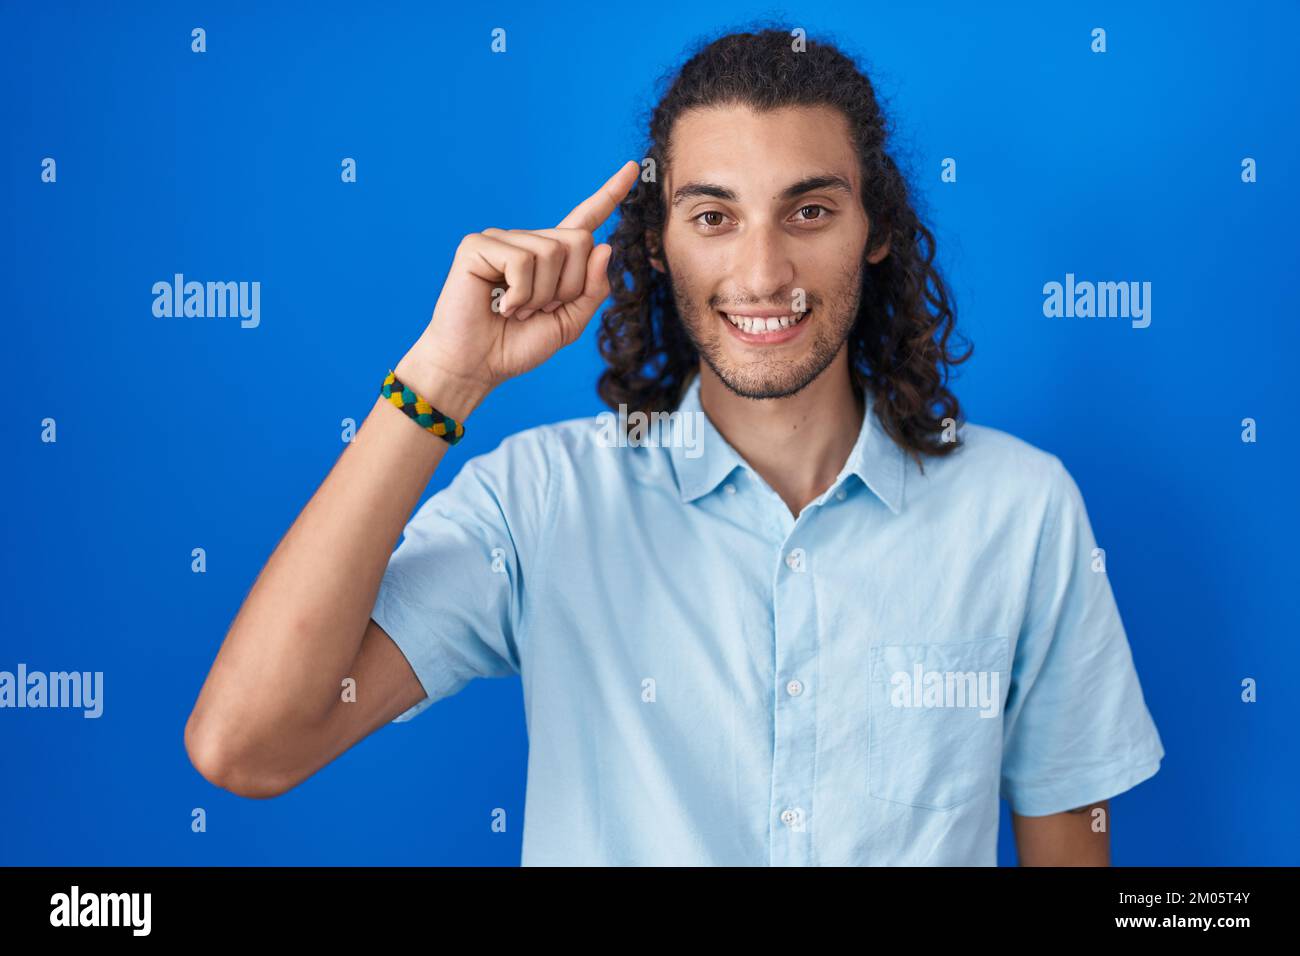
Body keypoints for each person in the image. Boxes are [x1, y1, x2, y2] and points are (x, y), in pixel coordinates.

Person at [185, 28, 1164, 866]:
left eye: (809, 210)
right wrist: (443, 379)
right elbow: (247, 746)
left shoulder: (1021, 506)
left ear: (875, 229)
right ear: (658, 244)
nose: (762, 269)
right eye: (713, 216)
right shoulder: (541, 498)